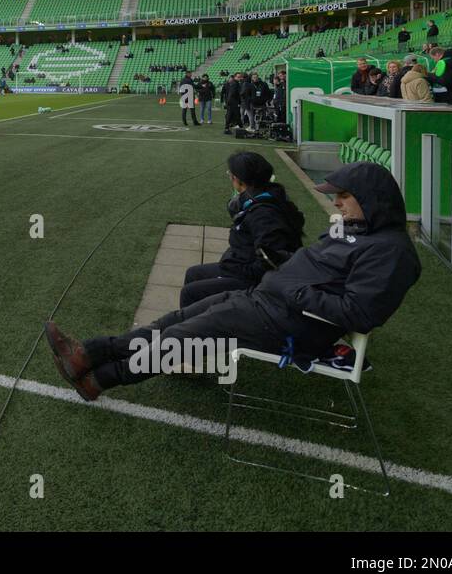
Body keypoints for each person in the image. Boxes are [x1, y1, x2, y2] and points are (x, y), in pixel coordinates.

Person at [44, 162, 421, 398]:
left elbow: (358, 313)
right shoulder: (359, 229)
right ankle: (86, 355)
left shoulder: (392, 253)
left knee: (179, 341)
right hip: (265, 301)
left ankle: (100, 381)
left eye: (344, 195)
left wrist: (290, 287)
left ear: (371, 199)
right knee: (172, 322)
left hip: (287, 323)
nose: (337, 203)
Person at [178, 152, 306, 307]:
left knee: (190, 293)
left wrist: (235, 267)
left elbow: (271, 261)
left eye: (230, 174)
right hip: (243, 264)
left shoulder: (264, 214)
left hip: (256, 280)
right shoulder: (263, 195)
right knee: (193, 273)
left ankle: (194, 328)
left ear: (238, 179)